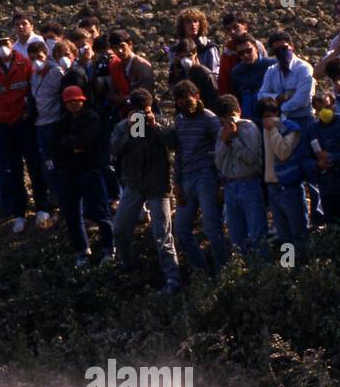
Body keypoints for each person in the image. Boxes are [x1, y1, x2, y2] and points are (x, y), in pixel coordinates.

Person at [110, 88, 181, 293]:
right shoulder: (124, 126)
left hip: (158, 186)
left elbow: (174, 143)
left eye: (145, 110)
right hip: (133, 184)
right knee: (120, 230)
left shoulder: (162, 122)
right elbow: (114, 152)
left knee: (163, 236)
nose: (141, 114)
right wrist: (129, 132)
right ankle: (128, 265)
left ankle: (173, 279)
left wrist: (154, 126)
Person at [0, 32, 45, 232]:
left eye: (5, 43)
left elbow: (33, 90)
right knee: (12, 169)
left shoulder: (25, 64)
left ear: (12, 43)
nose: (2, 47)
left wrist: (28, 112)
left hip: (23, 122)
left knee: (35, 165)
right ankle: (19, 213)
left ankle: (43, 207)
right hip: (4, 126)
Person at [51, 85, 113, 267]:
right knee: (72, 215)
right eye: (69, 102)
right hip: (69, 172)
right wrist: (73, 146)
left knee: (100, 212)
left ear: (82, 100)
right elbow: (54, 146)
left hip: (91, 170)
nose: (73, 105)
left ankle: (109, 248)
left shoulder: (92, 118)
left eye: (76, 101)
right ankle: (81, 251)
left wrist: (68, 143)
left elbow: (86, 140)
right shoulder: (61, 122)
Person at [171, 80, 228, 274]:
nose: (185, 105)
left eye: (188, 100)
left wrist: (222, 183)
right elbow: (179, 154)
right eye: (180, 102)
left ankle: (224, 271)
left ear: (196, 97)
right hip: (187, 178)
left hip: (206, 176)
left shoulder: (209, 119)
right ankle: (203, 270)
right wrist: (176, 182)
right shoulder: (179, 121)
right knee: (181, 229)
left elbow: (221, 151)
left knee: (212, 227)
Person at [214, 94, 266, 256]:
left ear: (239, 112)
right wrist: (224, 140)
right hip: (230, 186)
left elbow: (252, 159)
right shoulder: (221, 133)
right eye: (223, 120)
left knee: (257, 235)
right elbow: (219, 162)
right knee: (237, 238)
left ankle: (265, 273)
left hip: (249, 184)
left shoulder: (249, 128)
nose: (228, 123)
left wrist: (235, 139)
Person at [302, 91, 340, 229]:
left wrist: (332, 157)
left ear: (334, 105)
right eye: (319, 109)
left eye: (326, 107)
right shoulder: (311, 130)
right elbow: (304, 159)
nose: (323, 112)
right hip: (327, 190)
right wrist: (317, 165)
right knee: (334, 232)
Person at [259, 100, 305, 259]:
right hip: (273, 188)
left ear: (278, 114)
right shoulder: (263, 130)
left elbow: (283, 152)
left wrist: (273, 130)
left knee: (298, 233)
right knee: (284, 237)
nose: (267, 120)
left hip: (289, 187)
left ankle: (306, 271)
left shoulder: (291, 128)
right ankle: (290, 269)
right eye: (264, 117)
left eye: (270, 116)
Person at [28, 39, 65, 226]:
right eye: (33, 58)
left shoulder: (56, 73)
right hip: (40, 125)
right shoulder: (33, 75)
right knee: (47, 165)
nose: (37, 61)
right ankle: (57, 202)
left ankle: (67, 206)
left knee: (59, 165)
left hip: (55, 123)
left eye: (40, 57)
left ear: (47, 56)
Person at [258, 33, 313, 124]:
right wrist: (277, 97)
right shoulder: (271, 71)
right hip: (280, 122)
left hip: (303, 120)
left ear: (292, 46)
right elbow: (261, 95)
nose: (281, 52)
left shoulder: (303, 68)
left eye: (284, 48)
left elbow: (303, 99)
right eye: (277, 50)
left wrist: (280, 108)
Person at [108, 30, 155, 116]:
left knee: (137, 128)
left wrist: (124, 98)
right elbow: (111, 95)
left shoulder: (142, 66)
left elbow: (144, 97)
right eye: (115, 48)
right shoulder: (115, 65)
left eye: (122, 46)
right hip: (123, 112)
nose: (120, 51)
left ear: (130, 44)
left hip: (142, 112)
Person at [168, 38, 221, 114]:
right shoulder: (180, 72)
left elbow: (214, 100)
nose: (185, 59)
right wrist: (174, 70)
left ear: (195, 54)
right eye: (182, 57)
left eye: (188, 56)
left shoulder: (205, 74)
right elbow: (174, 90)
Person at [218, 11, 265, 95]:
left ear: (245, 26)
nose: (232, 32)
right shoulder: (228, 52)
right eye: (228, 29)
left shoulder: (257, 46)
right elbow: (223, 80)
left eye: (235, 27)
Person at [230, 35, 271, 123]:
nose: (245, 55)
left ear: (256, 48)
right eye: (241, 53)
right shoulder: (236, 72)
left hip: (268, 119)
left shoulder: (271, 66)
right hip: (247, 121)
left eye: (248, 51)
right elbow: (237, 98)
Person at [171, 9, 220, 80]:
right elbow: (172, 81)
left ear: (200, 24)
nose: (193, 24)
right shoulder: (175, 50)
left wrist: (200, 69)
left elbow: (215, 76)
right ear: (182, 25)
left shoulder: (209, 48)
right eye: (188, 21)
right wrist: (175, 68)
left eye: (195, 21)